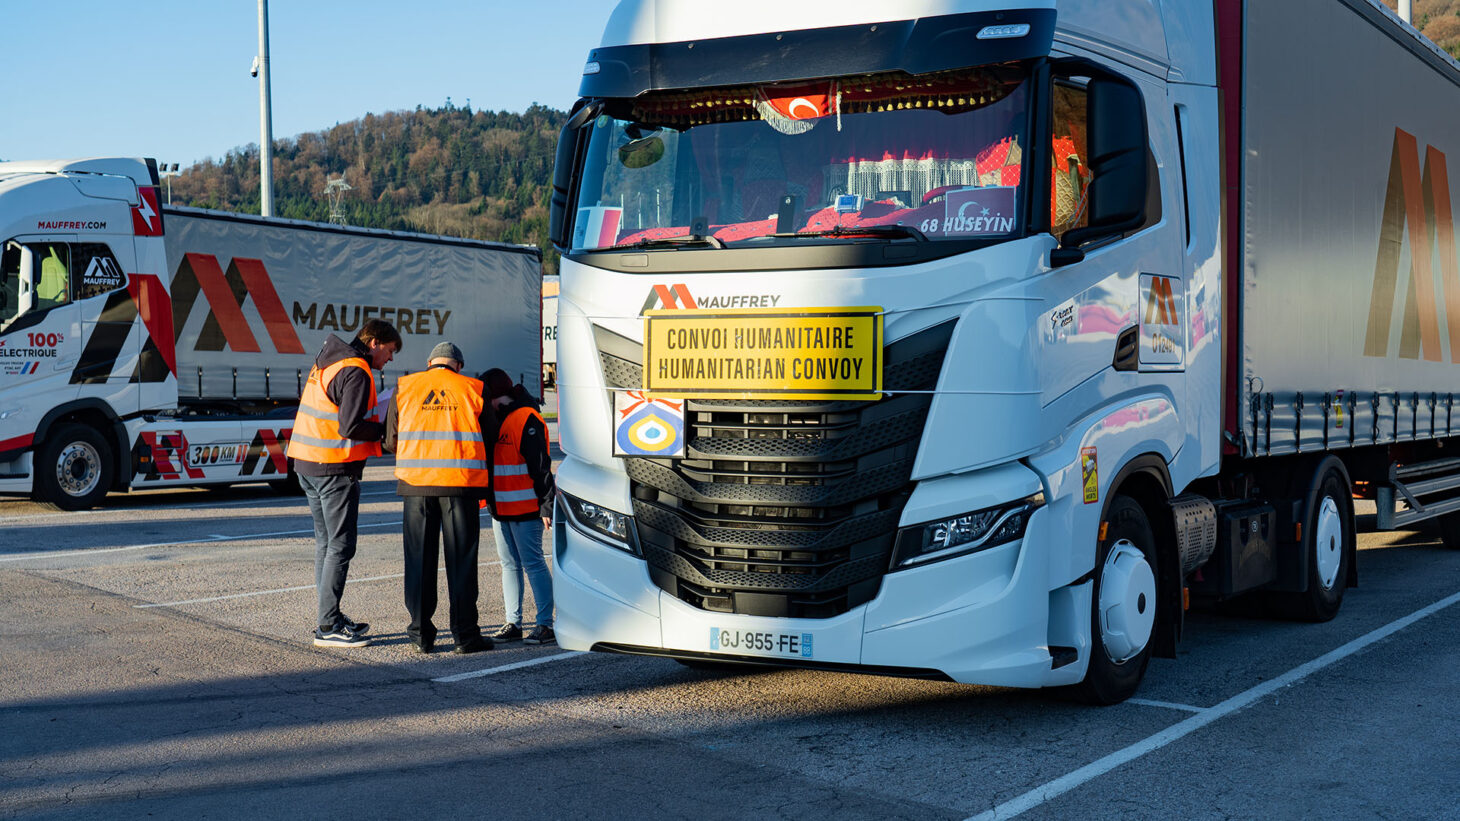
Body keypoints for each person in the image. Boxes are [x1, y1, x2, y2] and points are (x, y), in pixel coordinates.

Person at [288, 319, 400, 648]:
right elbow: (350, 426)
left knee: (326, 545)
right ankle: (328, 625)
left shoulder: (330, 360)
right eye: (391, 351)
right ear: (376, 342)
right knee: (340, 546)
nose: (390, 359)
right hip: (333, 467)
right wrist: (385, 431)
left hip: (307, 462)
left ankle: (329, 616)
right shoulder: (356, 370)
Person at [383, 342, 495, 655]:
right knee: (461, 562)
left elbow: (391, 440)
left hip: (416, 486)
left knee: (419, 561)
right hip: (461, 486)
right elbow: (489, 440)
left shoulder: (405, 387)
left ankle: (420, 634)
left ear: (430, 362)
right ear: (458, 365)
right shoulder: (473, 388)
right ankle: (465, 636)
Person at [482, 368, 557, 645]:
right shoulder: (499, 419)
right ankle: (513, 622)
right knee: (509, 565)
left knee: (532, 564)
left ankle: (545, 625)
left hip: (525, 509)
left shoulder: (526, 418)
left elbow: (541, 466)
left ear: (494, 396)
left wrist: (546, 505)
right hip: (501, 508)